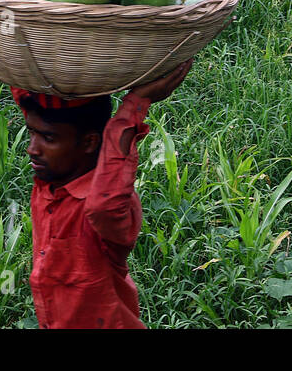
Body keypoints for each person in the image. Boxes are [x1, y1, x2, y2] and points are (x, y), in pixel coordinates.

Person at [12, 59, 192, 329]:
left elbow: (103, 205)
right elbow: (24, 92)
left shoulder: (110, 209)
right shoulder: (50, 185)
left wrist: (137, 102)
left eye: (48, 139)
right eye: (32, 134)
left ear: (89, 142)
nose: (32, 149)